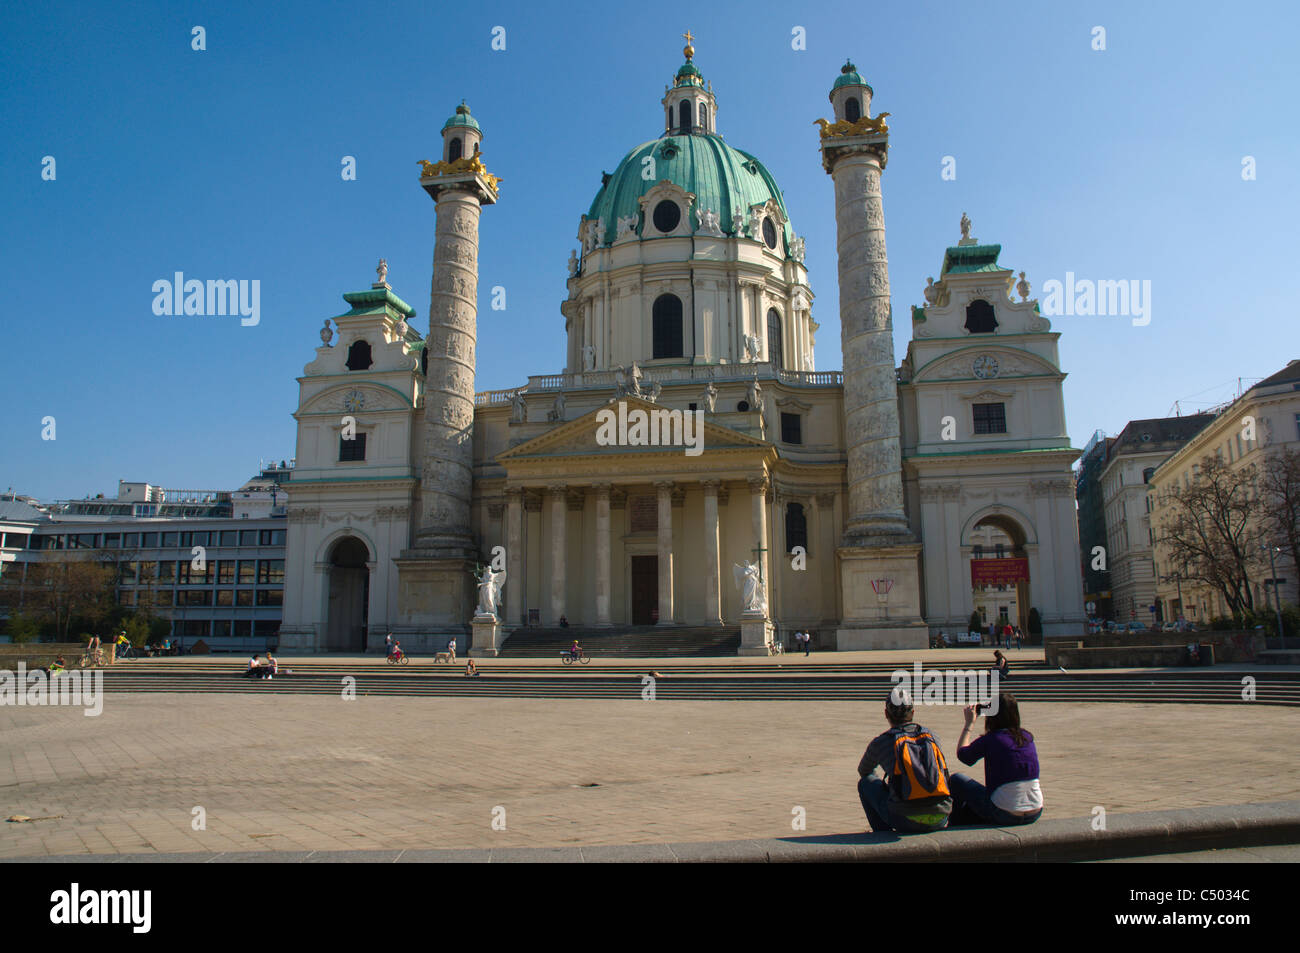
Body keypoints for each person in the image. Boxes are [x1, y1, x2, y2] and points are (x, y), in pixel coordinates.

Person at [856, 687, 953, 834]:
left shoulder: (881, 742)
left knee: (865, 783)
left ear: (886, 714)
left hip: (904, 820)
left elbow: (864, 771)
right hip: (941, 818)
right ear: (913, 712)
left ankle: (881, 834)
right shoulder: (932, 736)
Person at [949, 693, 1043, 827]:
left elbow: (964, 755)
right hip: (1035, 811)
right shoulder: (1026, 736)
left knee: (957, 780)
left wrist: (969, 724)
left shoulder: (992, 739)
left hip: (1004, 813)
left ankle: (955, 826)